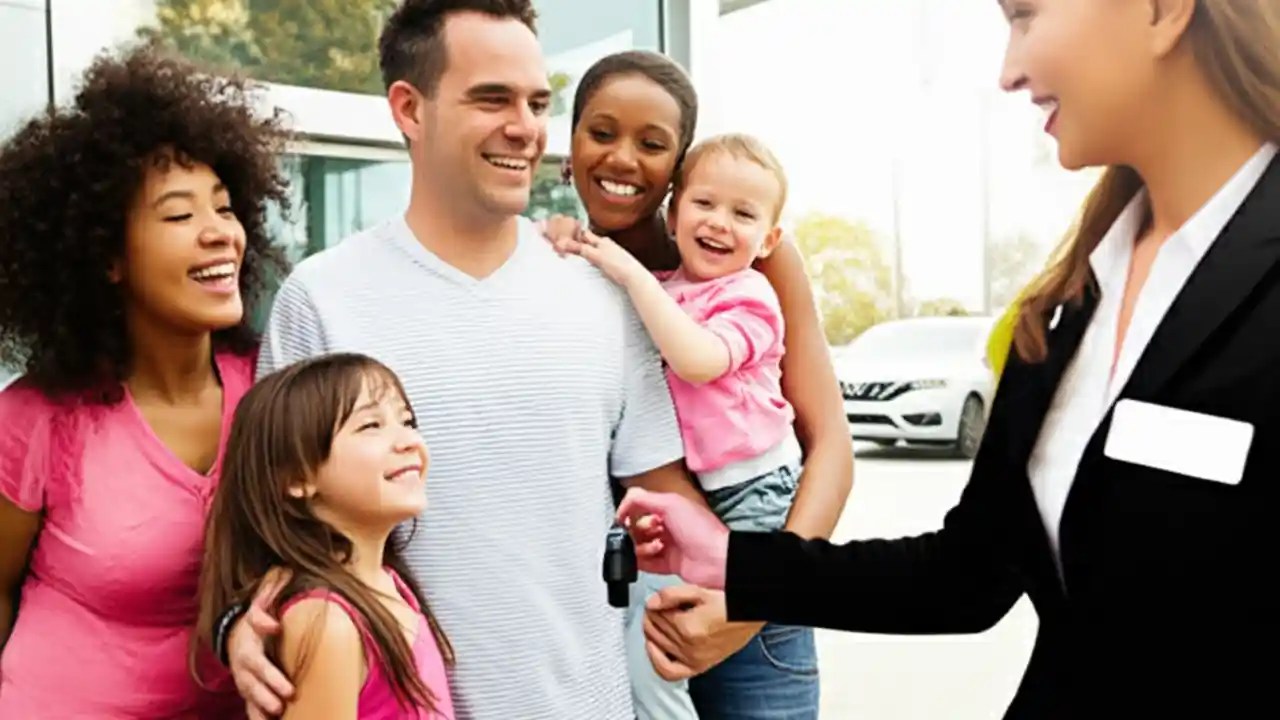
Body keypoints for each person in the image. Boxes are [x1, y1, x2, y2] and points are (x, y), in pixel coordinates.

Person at [612, 1, 1280, 718]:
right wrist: (731, 560)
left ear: (1162, 10)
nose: (1008, 72)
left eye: (1025, 17)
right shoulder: (1068, 301)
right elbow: (966, 578)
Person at [216, 2, 701, 719]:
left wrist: (747, 601)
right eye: (492, 99)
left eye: (538, 103)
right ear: (410, 109)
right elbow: (267, 524)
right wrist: (239, 629)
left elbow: (669, 501)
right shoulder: (322, 297)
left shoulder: (602, 295)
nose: (526, 128)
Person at [545, 49, 851, 719]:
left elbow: (831, 447)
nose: (623, 159)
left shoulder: (755, 262)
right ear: (569, 148)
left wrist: (755, 600)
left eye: (651, 144)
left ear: (677, 167)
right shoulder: (558, 269)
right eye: (601, 133)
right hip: (632, 598)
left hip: (758, 590)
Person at [0, 41, 289, 717]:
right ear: (107, 257)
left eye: (224, 207)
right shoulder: (37, 418)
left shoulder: (272, 383)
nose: (221, 233)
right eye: (181, 215)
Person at [194, 353, 455, 719]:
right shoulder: (326, 621)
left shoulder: (389, 586)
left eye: (407, 421)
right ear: (296, 477)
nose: (408, 441)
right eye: (371, 426)